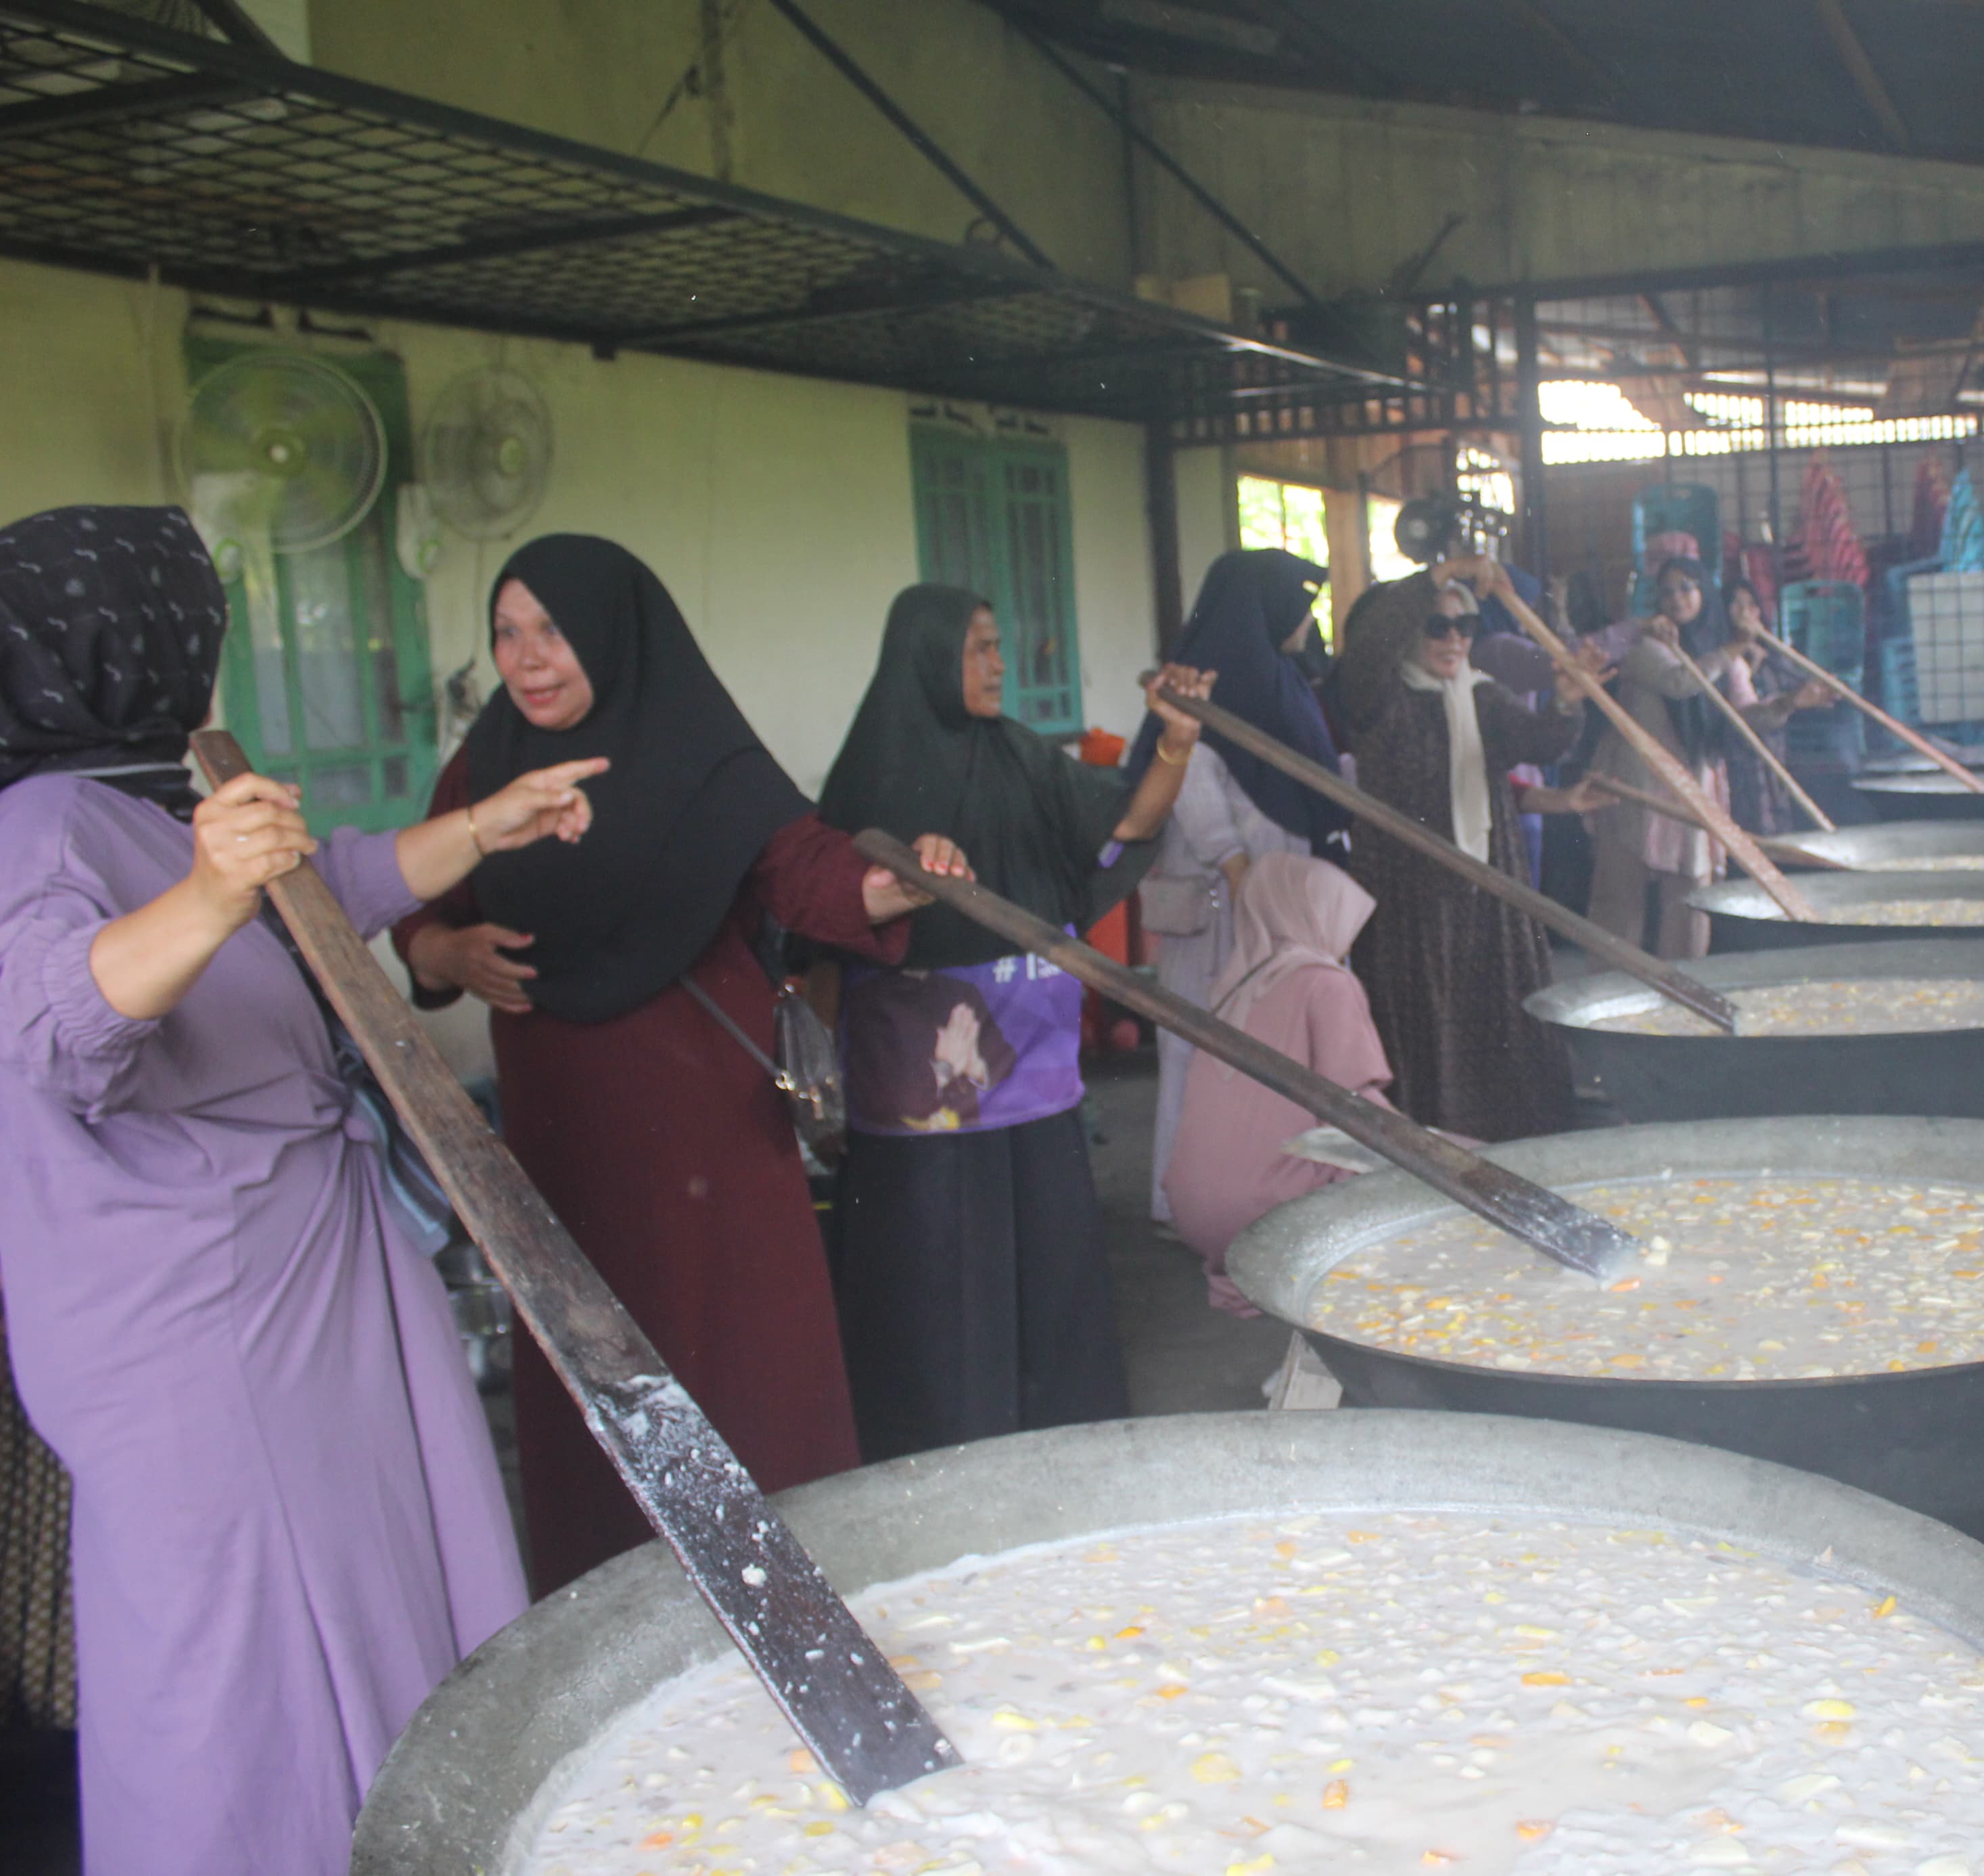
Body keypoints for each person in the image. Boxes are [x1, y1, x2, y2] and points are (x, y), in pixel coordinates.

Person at [0, 505, 603, 1875]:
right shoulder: (37, 825)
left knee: (372, 1597)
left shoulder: (141, 797)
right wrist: (211, 893)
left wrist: (483, 825)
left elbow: (317, 892)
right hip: (204, 1329)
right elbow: (53, 1022)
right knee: (243, 1661)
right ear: (111, 645)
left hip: (296, 1298)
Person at [392, 536, 961, 1596]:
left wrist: (898, 883)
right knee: (594, 1382)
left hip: (709, 1135)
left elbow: (805, 872)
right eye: (507, 634)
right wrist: (444, 952)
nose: (529, 658)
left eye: (553, 631)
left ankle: (782, 1604)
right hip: (563, 1130)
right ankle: (612, 1608)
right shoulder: (483, 771)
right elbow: (425, 911)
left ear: (616, 633)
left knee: (737, 1366)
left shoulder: (708, 757)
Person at [816, 585, 1212, 1461]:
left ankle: (1056, 1443)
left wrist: (1175, 741)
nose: (998, 664)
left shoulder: (1021, 757)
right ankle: (941, 1448)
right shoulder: (869, 778)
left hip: (1030, 1071)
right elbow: (822, 926)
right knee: (934, 1269)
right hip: (921, 1086)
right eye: (979, 648)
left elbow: (1121, 825)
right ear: (928, 657)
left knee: (1046, 1255)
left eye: (996, 645)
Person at [1329, 557, 1601, 1141]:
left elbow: (1540, 740)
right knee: (1425, 1019)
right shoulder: (1379, 698)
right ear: (1407, 630)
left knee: (1497, 1012)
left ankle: (1509, 1137)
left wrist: (1568, 703)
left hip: (1486, 886)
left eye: (1464, 628)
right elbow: (1368, 648)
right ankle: (1430, 1138)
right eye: (1436, 626)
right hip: (1411, 892)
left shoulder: (1480, 696)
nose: (1453, 640)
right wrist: (1438, 572)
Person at [1126, 548, 1346, 1229]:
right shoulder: (1205, 680)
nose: (1307, 621)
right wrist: (1236, 869)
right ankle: (1181, 1198)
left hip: (1277, 897)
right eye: (1299, 605)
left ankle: (1262, 1190)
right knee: (1200, 1047)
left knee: (1277, 1049)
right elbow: (1188, 779)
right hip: (1226, 903)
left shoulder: (1283, 680)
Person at [1164, 852, 1393, 1314]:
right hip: (1264, 1213)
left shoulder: (1233, 983)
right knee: (1419, 1183)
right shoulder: (1326, 983)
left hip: (1199, 1214)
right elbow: (1359, 1112)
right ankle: (1336, 1329)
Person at [1589, 553, 1738, 959]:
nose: (1677, 599)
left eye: (1687, 588)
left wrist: (1790, 703)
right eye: (1667, 591)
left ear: (1704, 592)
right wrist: (1729, 652)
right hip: (1638, 786)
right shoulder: (1648, 645)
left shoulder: (1722, 650)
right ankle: (1609, 1001)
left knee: (1690, 901)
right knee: (1621, 903)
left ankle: (1685, 997)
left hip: (1693, 786)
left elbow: (1745, 714)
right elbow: (1680, 683)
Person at [1710, 578, 1840, 839]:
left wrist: (1820, 689)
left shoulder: (1771, 653)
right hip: (1736, 755)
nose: (1744, 612)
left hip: (1772, 752)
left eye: (1751, 605)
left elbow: (1800, 684)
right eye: (1735, 604)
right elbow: (1740, 714)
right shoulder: (1718, 656)